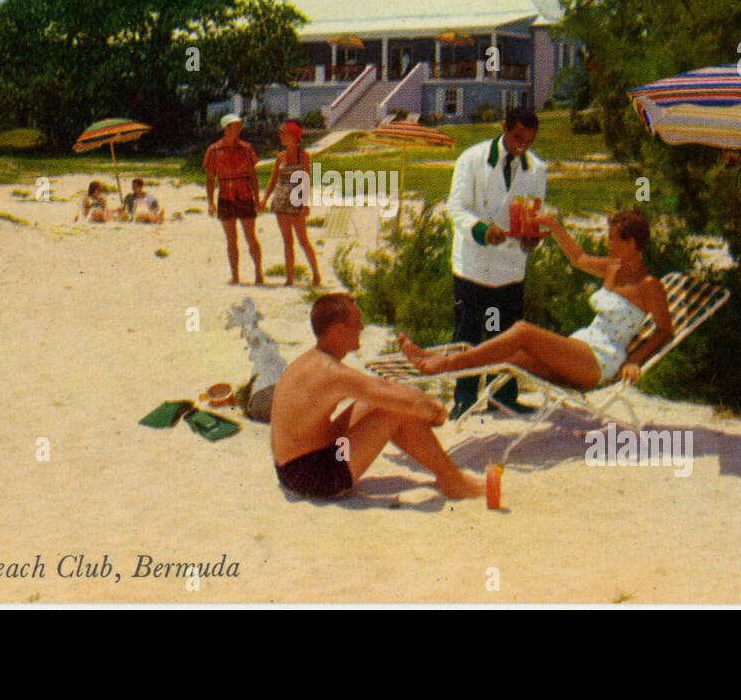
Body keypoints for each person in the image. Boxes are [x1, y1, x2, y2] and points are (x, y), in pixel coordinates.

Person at [399, 210, 674, 390]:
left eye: (613, 239)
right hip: (579, 347)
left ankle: (445, 365)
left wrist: (634, 360)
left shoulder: (649, 286)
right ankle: (439, 358)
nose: (607, 244)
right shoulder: (613, 268)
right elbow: (578, 258)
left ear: (632, 243)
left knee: (522, 331)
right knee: (511, 356)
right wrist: (554, 226)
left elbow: (664, 330)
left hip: (601, 361)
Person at [272, 293, 484, 501]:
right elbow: (408, 403)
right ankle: (453, 480)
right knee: (396, 409)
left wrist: (426, 405)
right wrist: (435, 411)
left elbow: (381, 388)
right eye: (357, 323)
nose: (362, 328)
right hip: (310, 477)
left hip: (293, 467)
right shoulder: (331, 372)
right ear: (339, 330)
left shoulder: (312, 360)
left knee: (378, 399)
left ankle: (450, 477)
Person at [445, 107, 548, 418]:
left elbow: (533, 214)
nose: (522, 146)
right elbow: (456, 207)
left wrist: (533, 238)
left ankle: (503, 396)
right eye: (517, 138)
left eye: (528, 141)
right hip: (473, 265)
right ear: (504, 127)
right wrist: (481, 230)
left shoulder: (538, 169)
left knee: (506, 338)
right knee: (468, 335)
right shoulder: (472, 158)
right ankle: (463, 398)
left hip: (510, 267)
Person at [203, 113, 263, 285]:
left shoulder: (246, 148)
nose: (239, 129)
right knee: (231, 239)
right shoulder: (214, 150)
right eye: (235, 126)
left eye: (239, 125)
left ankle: (258, 272)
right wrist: (210, 202)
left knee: (251, 237)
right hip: (225, 196)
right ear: (226, 128)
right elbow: (209, 179)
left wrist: (257, 198)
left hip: (244, 194)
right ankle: (235, 275)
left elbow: (253, 175)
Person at [260, 120, 322, 286]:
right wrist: (264, 199)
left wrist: (305, 204)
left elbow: (306, 180)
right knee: (287, 241)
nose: (280, 136)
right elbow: (273, 180)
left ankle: (316, 274)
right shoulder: (280, 156)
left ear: (293, 136)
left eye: (283, 133)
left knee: (303, 240)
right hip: (280, 201)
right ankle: (289, 278)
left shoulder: (304, 156)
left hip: (296, 202)